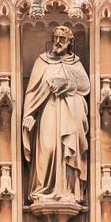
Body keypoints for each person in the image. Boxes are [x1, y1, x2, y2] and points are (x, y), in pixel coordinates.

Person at [22, 25, 90, 205]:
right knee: (49, 148)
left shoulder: (75, 63)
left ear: (70, 42)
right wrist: (29, 113)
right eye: (56, 38)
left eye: (62, 39)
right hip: (48, 109)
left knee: (67, 150)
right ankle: (43, 189)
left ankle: (67, 190)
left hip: (70, 112)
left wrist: (66, 84)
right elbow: (33, 91)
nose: (58, 42)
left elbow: (85, 86)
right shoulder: (42, 61)